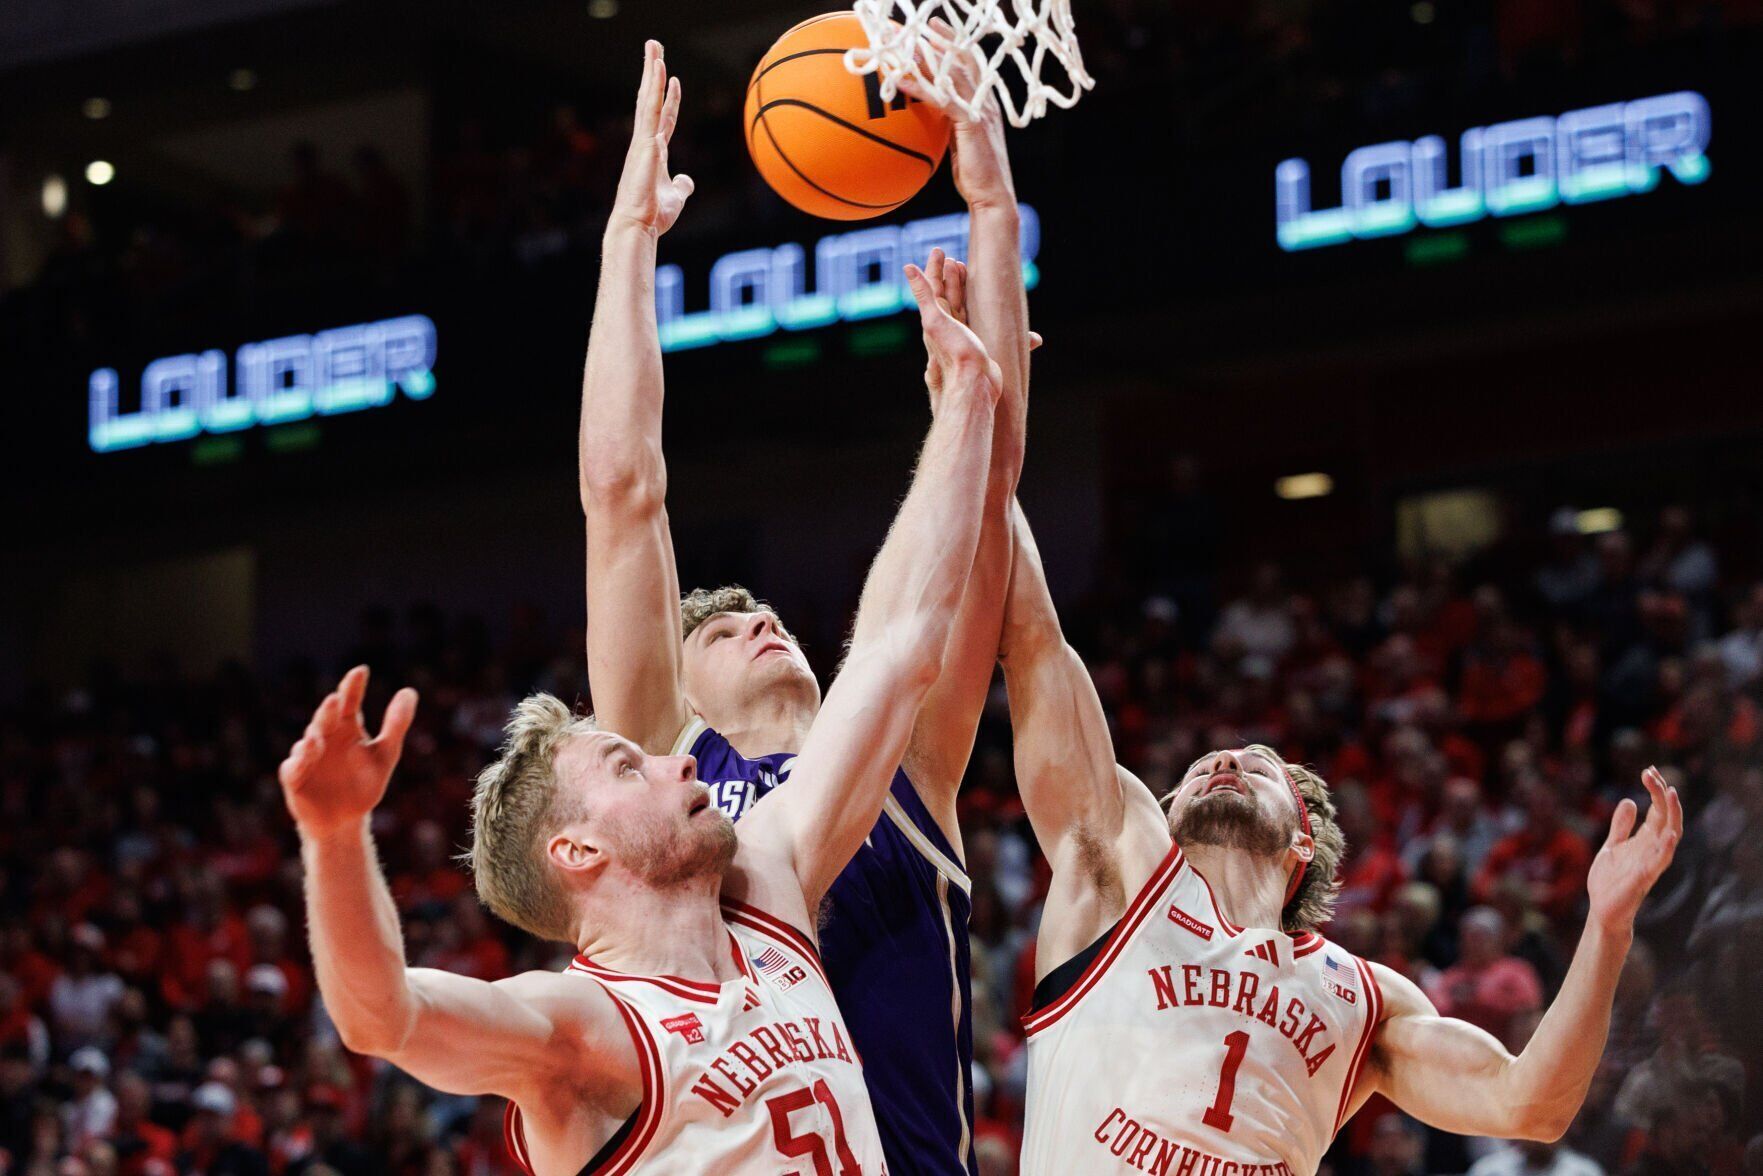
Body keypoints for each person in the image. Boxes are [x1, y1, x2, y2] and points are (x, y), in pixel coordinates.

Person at [276, 225, 1006, 1170]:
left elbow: (900, 647)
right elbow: (384, 1015)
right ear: (575, 848)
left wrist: (965, 404)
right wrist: (335, 840)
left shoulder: (774, 891)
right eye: (629, 762)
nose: (674, 754)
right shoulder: (580, 1030)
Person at [576, 37, 1032, 1175]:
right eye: (720, 630)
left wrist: (988, 200)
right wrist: (627, 244)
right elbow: (623, 495)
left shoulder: (905, 756)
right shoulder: (661, 771)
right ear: (678, 695)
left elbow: (982, 497)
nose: (758, 623)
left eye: (765, 617)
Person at [991, 494, 1683, 1174]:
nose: (1226, 759)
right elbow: (1031, 643)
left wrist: (1607, 927)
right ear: (1166, 826)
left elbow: (1530, 1105)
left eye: (1256, 767)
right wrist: (987, 431)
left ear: (1300, 842)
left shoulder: (1360, 998)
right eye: (1203, 767)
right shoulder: (1119, 876)